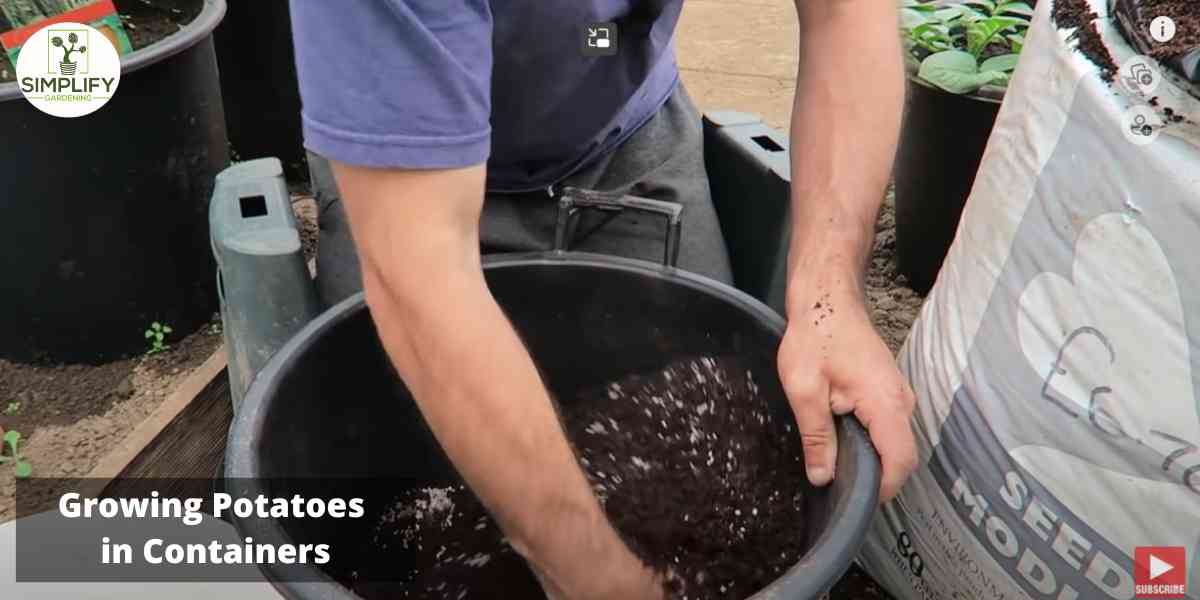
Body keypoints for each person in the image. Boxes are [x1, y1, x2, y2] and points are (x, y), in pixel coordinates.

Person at [288, 1, 917, 597]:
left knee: (718, 432)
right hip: (402, 146)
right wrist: (603, 581)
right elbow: (416, 269)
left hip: (618, 109)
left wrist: (829, 300)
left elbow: (844, 15)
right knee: (391, 468)